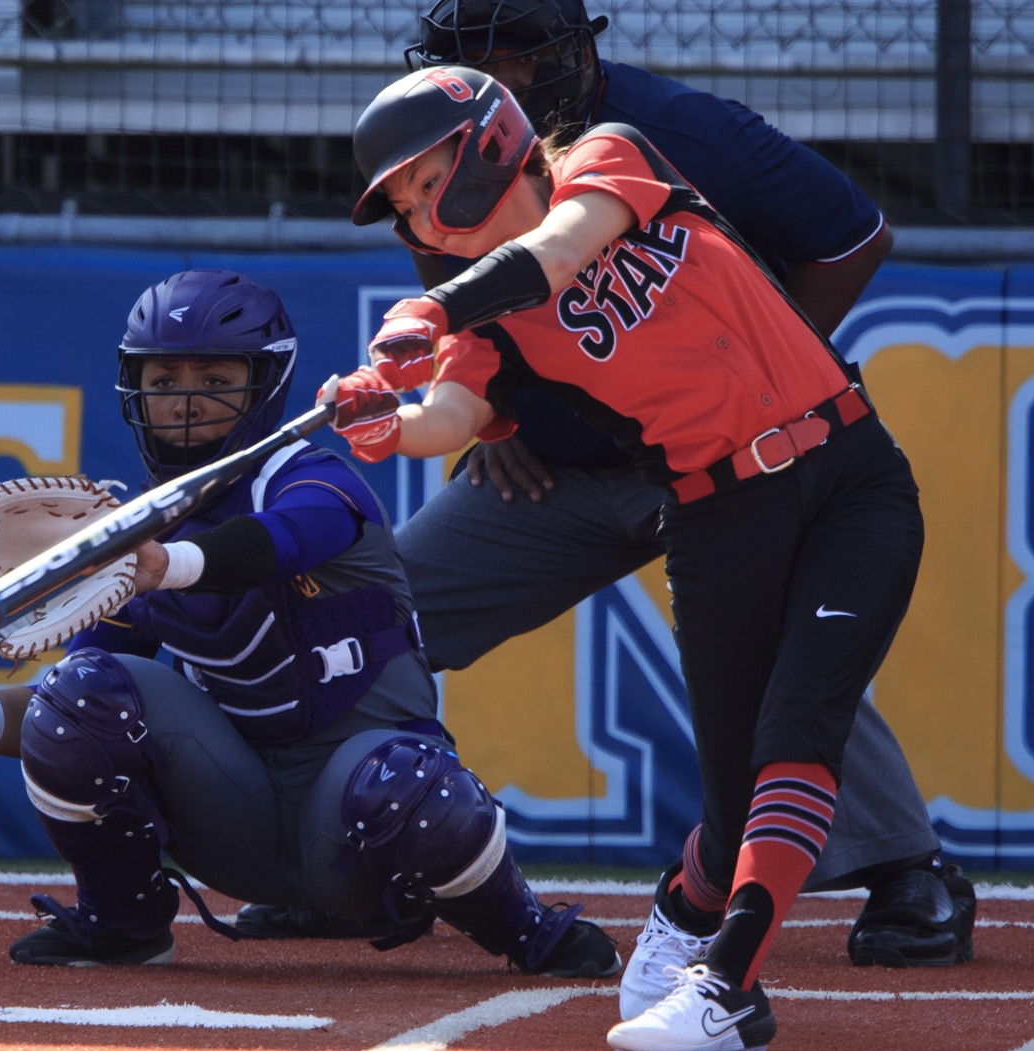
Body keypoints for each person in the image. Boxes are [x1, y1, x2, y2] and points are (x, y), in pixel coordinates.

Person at [237, 0, 976, 992]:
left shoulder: (651, 134)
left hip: (742, 458)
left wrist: (745, 367)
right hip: (558, 474)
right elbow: (470, 361)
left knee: (788, 671)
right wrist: (428, 427)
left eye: (514, 54)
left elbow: (851, 234)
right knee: (380, 608)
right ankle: (337, 857)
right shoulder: (432, 176)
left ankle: (901, 867)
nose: (418, 206)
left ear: (569, 54)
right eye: (473, 56)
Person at [0, 268, 622, 978]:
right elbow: (70, 708)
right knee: (82, 692)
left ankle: (527, 931)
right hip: (236, 819)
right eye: (164, 379)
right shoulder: (137, 535)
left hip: (361, 823)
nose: (184, 401)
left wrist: (167, 564)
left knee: (408, 784)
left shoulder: (315, 481)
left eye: (214, 379)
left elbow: (282, 543)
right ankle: (123, 924)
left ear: (264, 387)